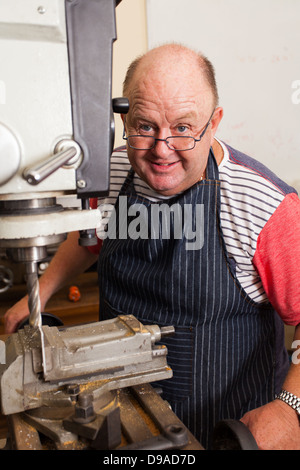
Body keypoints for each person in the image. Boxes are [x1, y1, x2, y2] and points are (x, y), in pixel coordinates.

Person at [4, 44, 300, 450]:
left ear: (214, 123)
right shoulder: (113, 171)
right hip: (118, 423)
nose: (162, 150)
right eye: (145, 126)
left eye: (183, 128)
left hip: (226, 431)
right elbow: (90, 238)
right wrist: (42, 290)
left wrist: (289, 408)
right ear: (125, 119)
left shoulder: (262, 206)